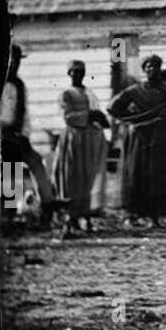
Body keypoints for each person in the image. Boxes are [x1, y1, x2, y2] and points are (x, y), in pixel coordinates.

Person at [108, 55, 166, 226]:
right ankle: (151, 217)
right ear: (144, 70)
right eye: (148, 67)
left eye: (155, 66)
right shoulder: (135, 90)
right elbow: (113, 108)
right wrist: (136, 119)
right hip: (145, 140)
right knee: (148, 177)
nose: (152, 69)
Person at [0, 44, 57, 226]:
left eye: (15, 60)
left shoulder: (19, 85)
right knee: (10, 165)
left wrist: (23, 135)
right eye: (9, 59)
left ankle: (47, 205)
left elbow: (24, 114)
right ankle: (8, 211)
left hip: (17, 134)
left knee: (36, 162)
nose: (12, 64)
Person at [51, 60, 109, 232]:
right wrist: (89, 115)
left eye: (80, 71)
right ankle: (71, 217)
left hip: (88, 139)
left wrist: (99, 119)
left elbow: (98, 115)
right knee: (71, 177)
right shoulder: (66, 94)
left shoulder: (89, 93)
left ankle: (86, 215)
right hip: (73, 138)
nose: (77, 74)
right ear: (68, 74)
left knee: (87, 177)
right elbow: (68, 117)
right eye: (73, 71)